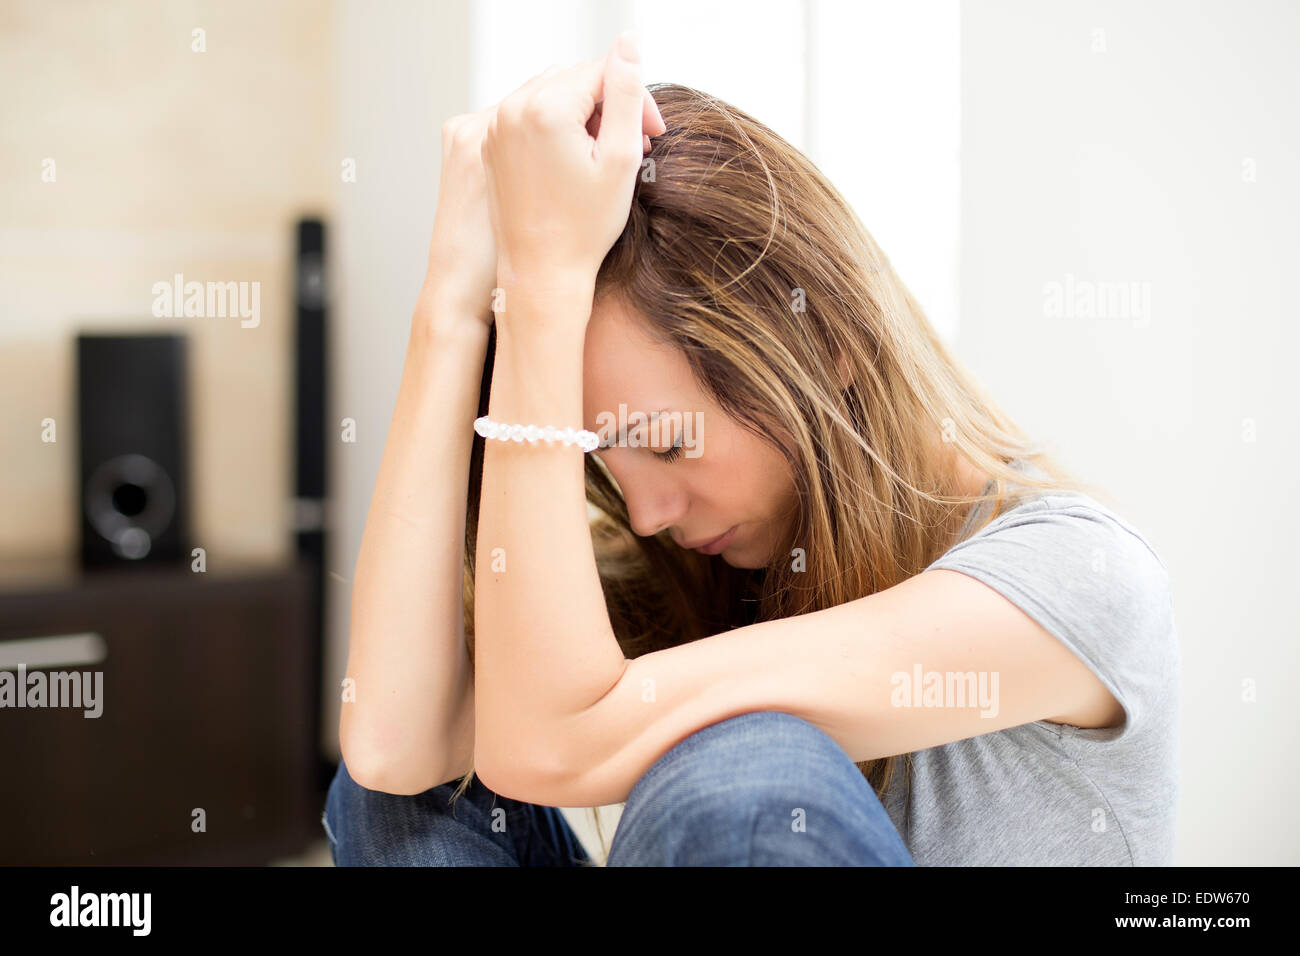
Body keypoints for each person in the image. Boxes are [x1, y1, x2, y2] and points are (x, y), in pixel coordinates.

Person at [325, 32, 1179, 866]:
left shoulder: (1077, 575)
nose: (648, 516)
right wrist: (450, 307)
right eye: (600, 460)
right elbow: (395, 745)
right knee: (408, 789)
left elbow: (551, 743)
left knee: (748, 771)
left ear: (826, 343)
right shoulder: (714, 574)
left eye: (663, 444)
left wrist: (544, 287)